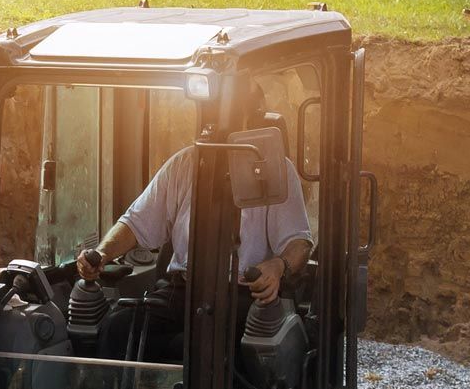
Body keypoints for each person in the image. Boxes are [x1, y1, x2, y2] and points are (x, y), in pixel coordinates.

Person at [77, 89, 313, 309]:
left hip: (245, 296)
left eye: (228, 113)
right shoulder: (184, 164)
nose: (217, 122)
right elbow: (135, 223)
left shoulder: (277, 170)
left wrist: (278, 265)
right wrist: (103, 253)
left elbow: (298, 243)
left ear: (252, 116)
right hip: (183, 290)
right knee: (117, 326)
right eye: (212, 112)